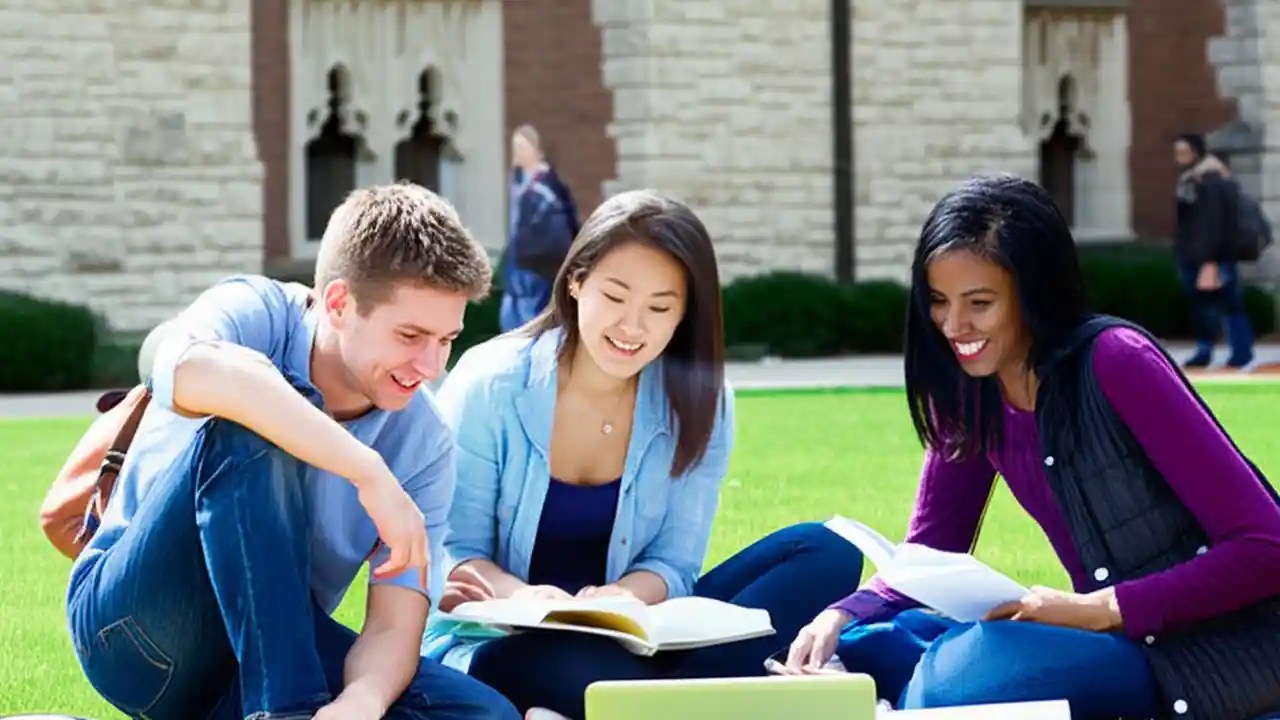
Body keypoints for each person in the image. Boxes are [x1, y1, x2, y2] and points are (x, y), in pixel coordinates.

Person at [783, 175, 1280, 720]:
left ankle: (894, 697)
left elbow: (1266, 544)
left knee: (952, 687)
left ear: (1033, 292)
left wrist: (1103, 608)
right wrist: (841, 616)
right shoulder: (970, 391)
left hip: (1210, 650)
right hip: (1104, 638)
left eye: (979, 302)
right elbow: (932, 551)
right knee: (855, 645)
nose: (954, 326)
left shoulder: (1118, 362)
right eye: (938, 301)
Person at [64, 184, 520, 720]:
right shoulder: (254, 313)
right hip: (134, 634)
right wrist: (366, 470)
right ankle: (286, 711)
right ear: (339, 303)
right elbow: (186, 368)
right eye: (410, 335)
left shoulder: (425, 442)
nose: (430, 366)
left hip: (266, 655)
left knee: (483, 715)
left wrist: (361, 702)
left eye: (446, 340)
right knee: (252, 422)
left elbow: (394, 623)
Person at [422, 189, 864, 720]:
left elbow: (674, 563)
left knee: (826, 551)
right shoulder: (492, 382)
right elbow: (452, 549)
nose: (632, 327)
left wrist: (621, 599)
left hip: (639, 636)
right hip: (508, 638)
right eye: (615, 297)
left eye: (659, 307)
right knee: (574, 662)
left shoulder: (700, 402)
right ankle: (711, 697)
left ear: (684, 315)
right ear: (576, 281)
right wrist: (527, 599)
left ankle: (645, 703)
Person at [1172, 132, 1255, 370]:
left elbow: (1215, 223)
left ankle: (1234, 352)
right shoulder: (1193, 179)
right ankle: (1218, 350)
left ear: (1196, 152)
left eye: (1184, 151)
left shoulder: (1209, 180)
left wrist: (1210, 261)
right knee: (1212, 305)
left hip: (1209, 257)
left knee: (1220, 305)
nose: (1179, 157)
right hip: (1197, 255)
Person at [500, 124, 580, 333]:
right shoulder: (522, 183)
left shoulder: (543, 189)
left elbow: (556, 232)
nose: (516, 153)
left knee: (528, 325)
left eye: (521, 147)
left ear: (536, 150)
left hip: (534, 270)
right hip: (523, 266)